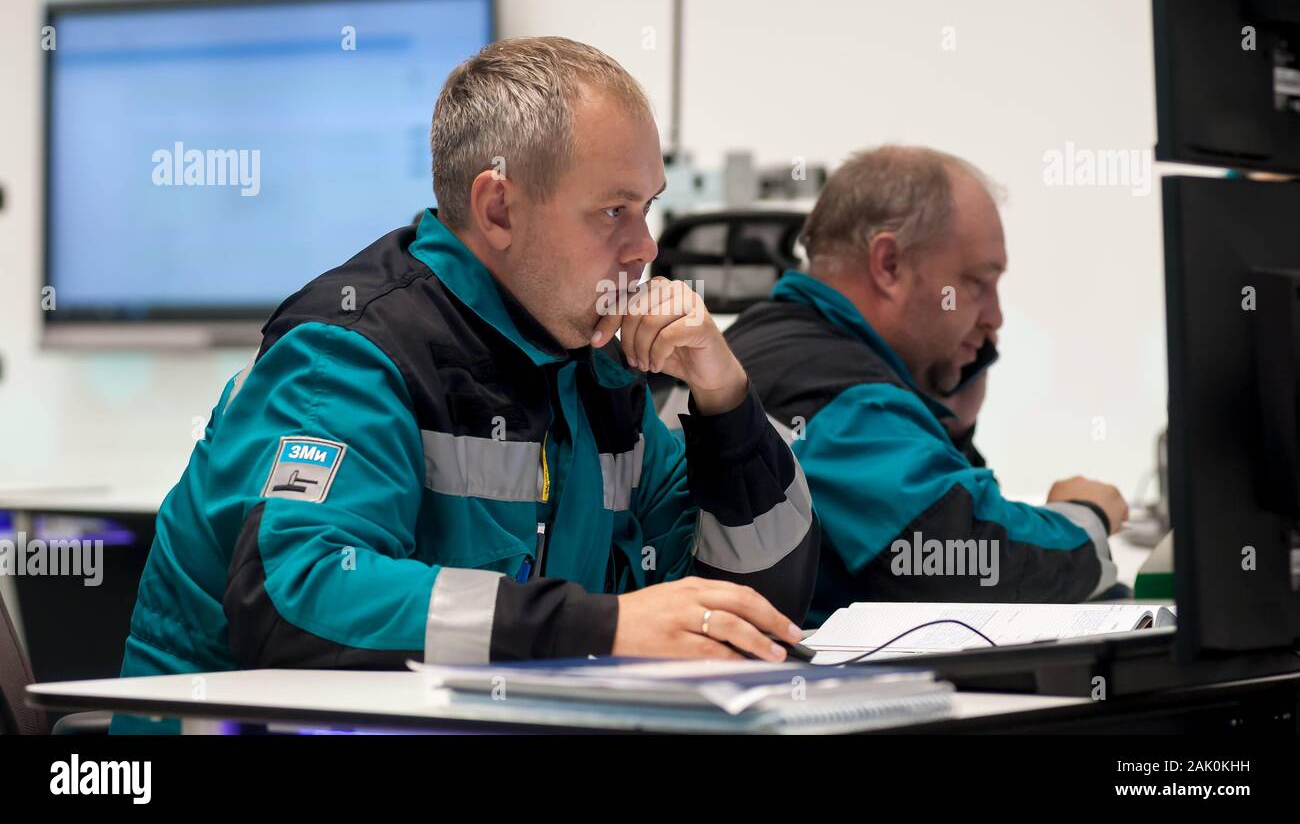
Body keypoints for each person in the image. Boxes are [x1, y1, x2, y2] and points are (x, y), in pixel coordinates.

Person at [111, 37, 817, 733]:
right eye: (613, 211)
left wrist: (726, 404)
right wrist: (596, 628)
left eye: (648, 207)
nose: (646, 247)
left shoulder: (595, 369)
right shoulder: (351, 352)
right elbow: (296, 592)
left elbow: (751, 615)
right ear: (499, 210)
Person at [710, 145, 1125, 627]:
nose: (995, 317)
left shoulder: (765, 341)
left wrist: (951, 430)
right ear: (888, 265)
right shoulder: (840, 398)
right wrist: (1088, 515)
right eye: (976, 283)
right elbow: (971, 559)